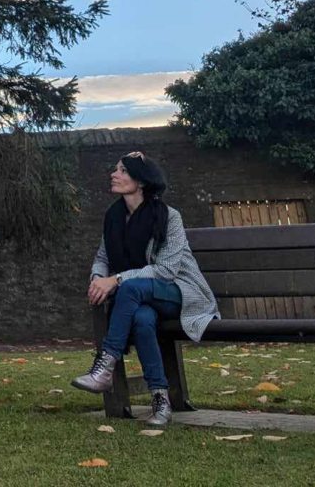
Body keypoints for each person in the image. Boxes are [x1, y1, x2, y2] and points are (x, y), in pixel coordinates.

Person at [71, 151, 219, 427]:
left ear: (140, 181)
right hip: (141, 297)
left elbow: (165, 271)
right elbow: (103, 256)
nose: (114, 174)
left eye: (122, 171)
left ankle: (105, 365)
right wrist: (97, 278)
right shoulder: (114, 216)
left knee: (128, 289)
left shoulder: (168, 217)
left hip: (178, 292)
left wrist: (115, 280)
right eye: (115, 169)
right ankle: (160, 399)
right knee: (141, 318)